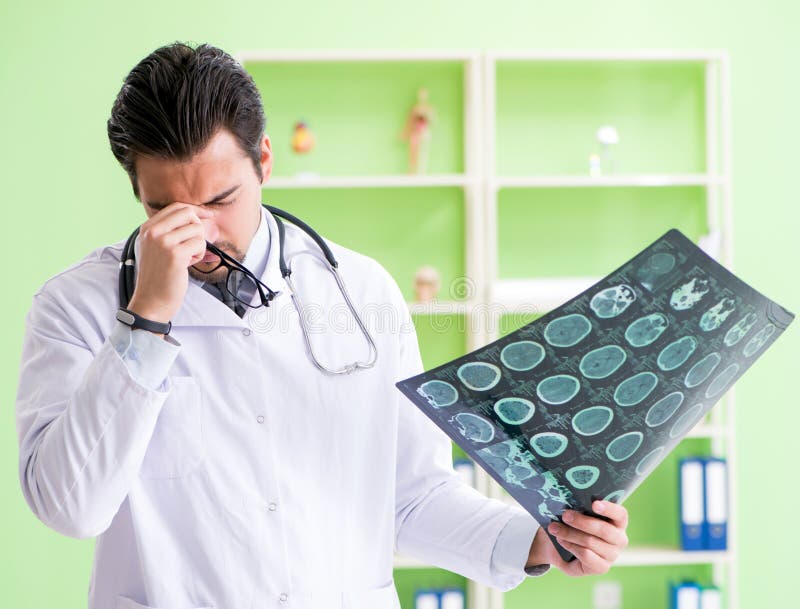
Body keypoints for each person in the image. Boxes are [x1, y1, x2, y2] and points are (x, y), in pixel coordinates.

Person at [15, 42, 629, 609]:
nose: (197, 234)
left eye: (221, 200)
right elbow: (71, 508)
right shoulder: (77, 306)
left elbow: (413, 498)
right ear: (137, 190)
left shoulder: (361, 292)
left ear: (264, 161)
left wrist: (540, 539)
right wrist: (145, 320)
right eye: (164, 209)